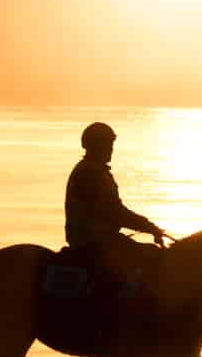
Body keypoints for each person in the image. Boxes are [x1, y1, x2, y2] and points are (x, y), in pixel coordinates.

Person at [65, 122, 167, 286]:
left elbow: (114, 211)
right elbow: (115, 213)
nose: (111, 149)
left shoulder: (94, 171)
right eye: (107, 145)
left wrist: (148, 226)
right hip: (93, 242)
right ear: (95, 146)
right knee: (150, 258)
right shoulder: (90, 174)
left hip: (100, 239)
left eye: (111, 145)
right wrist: (148, 226)